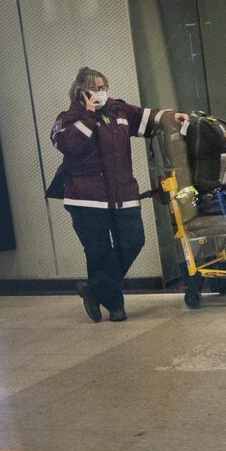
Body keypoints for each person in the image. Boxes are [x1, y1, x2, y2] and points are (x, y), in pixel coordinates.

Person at [51, 67, 187, 322]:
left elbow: (148, 117)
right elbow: (68, 145)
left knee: (133, 240)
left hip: (123, 192)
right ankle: (115, 307)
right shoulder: (68, 118)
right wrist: (89, 116)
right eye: (95, 88)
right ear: (82, 91)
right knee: (97, 252)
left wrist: (172, 117)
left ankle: (93, 290)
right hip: (86, 199)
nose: (101, 93)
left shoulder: (118, 110)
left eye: (104, 87)